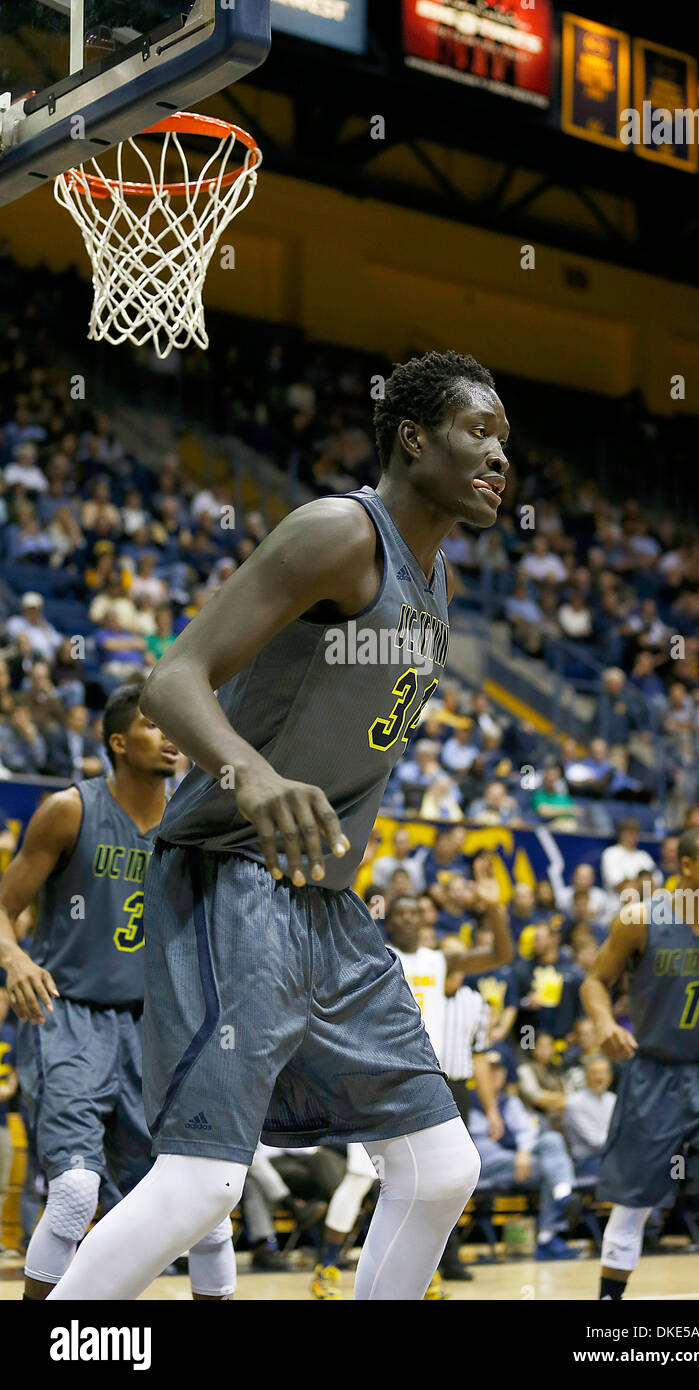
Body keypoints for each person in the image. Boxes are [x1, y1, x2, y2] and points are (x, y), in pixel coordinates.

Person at [42, 349, 510, 1303]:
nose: (500, 458)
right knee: (203, 1182)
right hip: (233, 872)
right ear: (413, 437)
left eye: (506, 442)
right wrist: (247, 773)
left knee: (442, 1167)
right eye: (479, 433)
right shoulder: (341, 532)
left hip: (328, 908)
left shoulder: (437, 586)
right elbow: (174, 677)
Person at [0, 685, 236, 1299]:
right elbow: (4, 908)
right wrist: (14, 956)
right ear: (117, 742)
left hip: (154, 1029)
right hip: (70, 1017)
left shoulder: (191, 822)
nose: (168, 736)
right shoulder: (69, 809)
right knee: (76, 1191)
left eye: (172, 727)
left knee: (207, 1207)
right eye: (153, 726)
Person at [582, 827, 699, 1301]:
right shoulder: (640, 918)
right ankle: (608, 1300)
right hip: (654, 1071)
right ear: (685, 865)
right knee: (634, 1198)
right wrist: (604, 1024)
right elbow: (595, 982)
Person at [311, 892, 511, 1299]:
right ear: (388, 918)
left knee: (434, 1182)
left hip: (425, 1081)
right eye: (398, 912)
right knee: (362, 1178)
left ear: (424, 918)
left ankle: (422, 1276)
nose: (407, 918)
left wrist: (492, 906)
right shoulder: (374, 955)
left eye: (414, 911)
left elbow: (501, 954)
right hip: (378, 1078)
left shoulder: (442, 961)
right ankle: (327, 1266)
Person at [469, 1045, 581, 1261]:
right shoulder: (469, 1101)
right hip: (487, 1165)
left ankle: (562, 1195)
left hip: (515, 1163)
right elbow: (481, 1145)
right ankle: (549, 1237)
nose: (494, 1076)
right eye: (489, 1070)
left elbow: (528, 1130)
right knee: (552, 1169)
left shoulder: (509, 1101)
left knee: (551, 1140)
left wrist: (524, 1152)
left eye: (499, 1071)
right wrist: (519, 1156)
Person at [562, 1056, 616, 1178]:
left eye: (604, 1073)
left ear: (610, 1077)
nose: (599, 1078)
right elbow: (595, 1142)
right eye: (595, 1073)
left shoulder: (613, 1100)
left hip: (612, 1156)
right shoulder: (575, 1102)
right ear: (586, 1076)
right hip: (588, 1161)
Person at [0, 987, 18, 1254]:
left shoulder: (11, 1034)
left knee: (2, 1182)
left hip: (2, 1119)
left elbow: (15, 1073)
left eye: (4, 1002)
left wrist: (10, 1088)